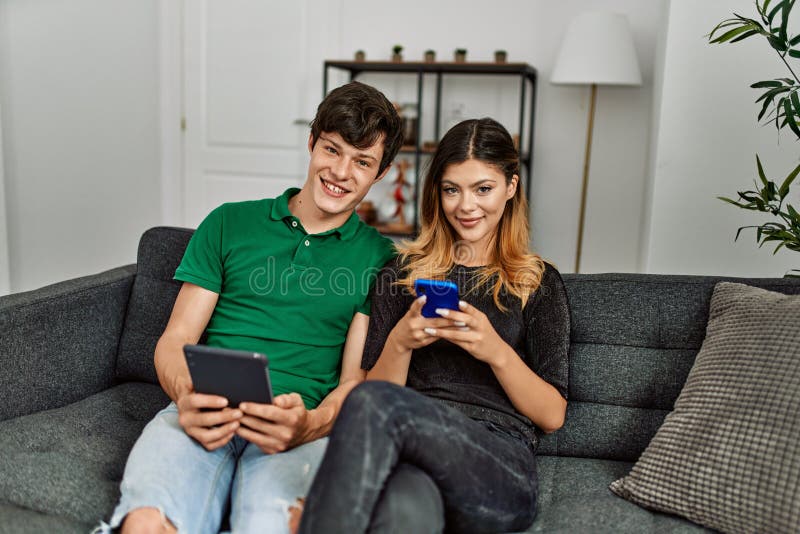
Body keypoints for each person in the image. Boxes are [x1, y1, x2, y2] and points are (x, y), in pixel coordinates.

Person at [99, 81, 404, 534]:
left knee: (273, 525)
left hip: (297, 426)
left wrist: (310, 425)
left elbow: (352, 383)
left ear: (380, 173)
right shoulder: (229, 222)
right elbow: (176, 339)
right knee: (144, 524)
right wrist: (186, 397)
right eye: (332, 149)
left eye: (362, 161)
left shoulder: (380, 259)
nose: (341, 172)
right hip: (207, 409)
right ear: (311, 143)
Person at [297, 118, 570, 534]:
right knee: (405, 513)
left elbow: (552, 416)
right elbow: (377, 398)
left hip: (498, 465)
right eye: (451, 190)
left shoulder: (537, 282)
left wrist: (495, 351)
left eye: (483, 189)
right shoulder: (399, 275)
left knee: (373, 403)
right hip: (414, 457)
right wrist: (401, 342)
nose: (466, 206)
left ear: (511, 187)